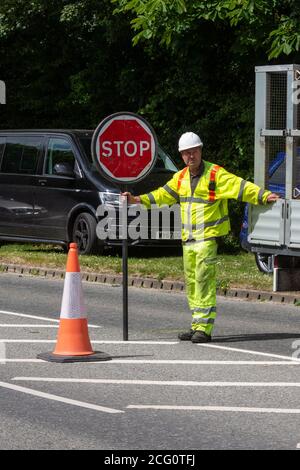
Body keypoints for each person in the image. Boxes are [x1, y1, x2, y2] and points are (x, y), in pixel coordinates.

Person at [122, 132, 279, 343]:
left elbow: (239, 186)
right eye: (186, 153)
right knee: (193, 283)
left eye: (193, 151)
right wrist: (137, 200)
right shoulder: (180, 178)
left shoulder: (215, 174)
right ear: (181, 156)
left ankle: (204, 329)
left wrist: (262, 195)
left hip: (206, 240)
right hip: (188, 241)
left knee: (204, 281)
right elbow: (161, 195)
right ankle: (197, 324)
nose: (190, 156)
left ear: (200, 150)